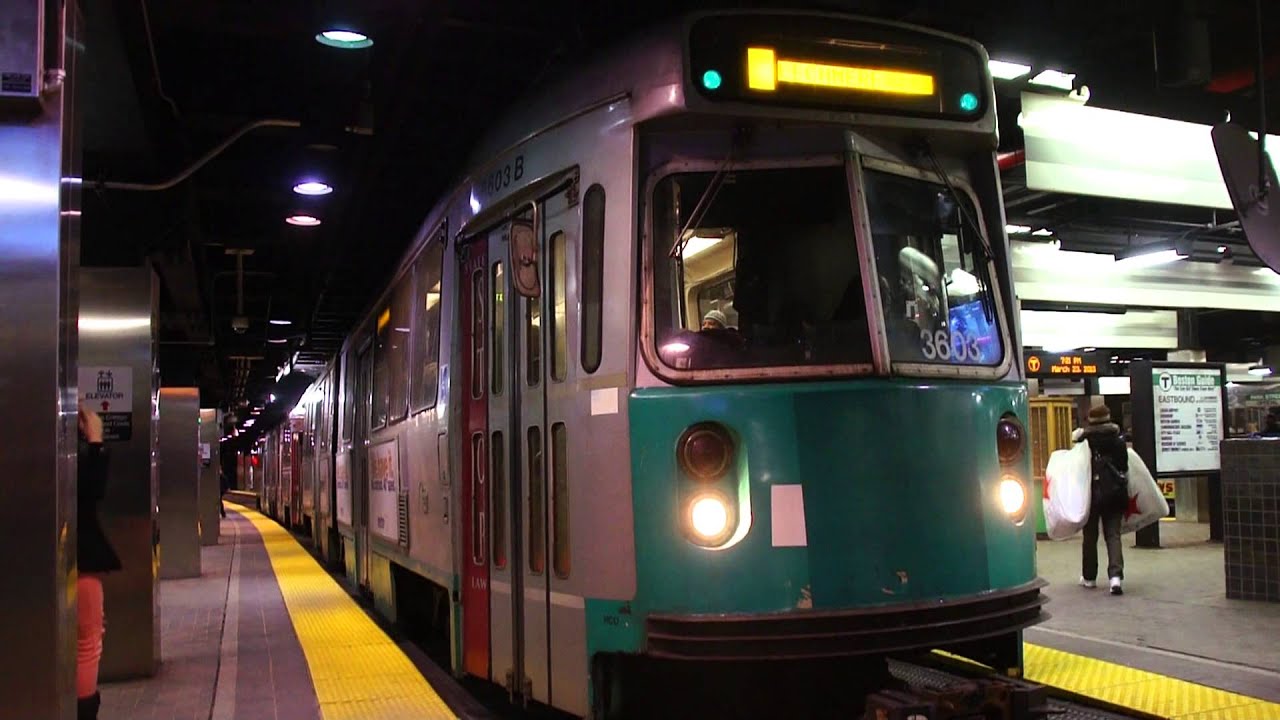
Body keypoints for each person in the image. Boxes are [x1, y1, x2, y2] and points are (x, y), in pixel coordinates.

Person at [77, 403, 122, 719]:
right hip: (79, 561)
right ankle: (83, 709)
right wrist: (95, 442)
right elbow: (91, 491)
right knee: (87, 642)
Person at [1075, 403, 1127, 595]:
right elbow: (1124, 467)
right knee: (1113, 535)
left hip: (1091, 494)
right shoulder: (1118, 441)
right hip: (1114, 493)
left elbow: (1078, 470)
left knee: (1090, 536)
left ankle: (1089, 577)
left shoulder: (1084, 442)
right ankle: (1115, 578)